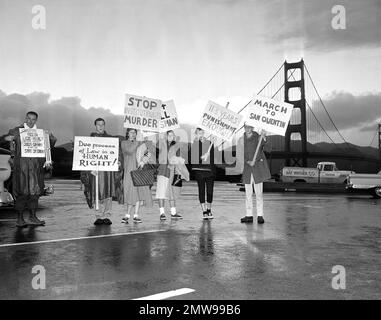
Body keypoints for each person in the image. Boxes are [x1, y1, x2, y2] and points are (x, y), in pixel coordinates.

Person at [3, 111, 56, 228]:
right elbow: (4, 139)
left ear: (36, 120)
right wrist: (8, 138)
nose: (30, 121)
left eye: (33, 119)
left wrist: (50, 136)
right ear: (25, 118)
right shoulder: (17, 131)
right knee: (21, 193)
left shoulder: (40, 133)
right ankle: (20, 219)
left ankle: (33, 217)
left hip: (36, 169)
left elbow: (50, 145)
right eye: (28, 118)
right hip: (21, 168)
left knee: (35, 193)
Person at [80, 118, 121, 226]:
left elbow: (117, 154)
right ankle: (98, 216)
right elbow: (84, 155)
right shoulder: (89, 140)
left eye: (102, 124)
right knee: (96, 192)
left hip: (108, 172)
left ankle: (107, 215)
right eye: (98, 125)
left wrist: (118, 161)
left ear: (104, 125)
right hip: (95, 171)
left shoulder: (111, 140)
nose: (101, 126)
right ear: (95, 126)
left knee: (108, 192)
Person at [237, 124, 271, 224]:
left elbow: (267, 148)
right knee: (248, 194)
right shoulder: (240, 139)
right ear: (244, 127)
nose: (248, 129)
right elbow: (239, 154)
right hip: (247, 169)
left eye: (250, 127)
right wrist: (247, 161)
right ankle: (249, 215)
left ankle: (260, 215)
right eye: (246, 127)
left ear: (253, 127)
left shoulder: (258, 137)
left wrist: (264, 137)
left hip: (257, 168)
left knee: (259, 193)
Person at [121, 128, 153, 224]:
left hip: (140, 170)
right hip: (129, 171)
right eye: (131, 132)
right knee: (131, 192)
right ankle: (127, 215)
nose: (133, 134)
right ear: (127, 133)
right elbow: (130, 150)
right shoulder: (124, 143)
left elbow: (148, 153)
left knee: (139, 193)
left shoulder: (141, 143)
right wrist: (139, 141)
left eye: (135, 132)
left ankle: (136, 215)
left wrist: (144, 161)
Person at [156, 130, 189, 220]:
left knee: (172, 193)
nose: (171, 136)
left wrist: (178, 161)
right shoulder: (161, 143)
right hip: (162, 170)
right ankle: (162, 213)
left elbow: (180, 159)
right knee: (161, 192)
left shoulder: (177, 146)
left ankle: (173, 213)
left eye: (172, 135)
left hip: (172, 171)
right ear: (165, 136)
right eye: (169, 135)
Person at [189, 128, 216, 220]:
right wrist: (201, 157)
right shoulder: (194, 145)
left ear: (204, 133)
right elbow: (191, 158)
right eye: (198, 133)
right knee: (201, 190)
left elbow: (214, 155)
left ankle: (209, 209)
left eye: (202, 133)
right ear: (196, 134)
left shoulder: (209, 143)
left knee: (210, 191)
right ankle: (204, 210)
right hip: (199, 171)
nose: (201, 134)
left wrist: (213, 144)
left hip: (209, 171)